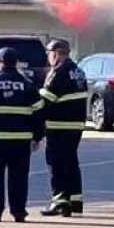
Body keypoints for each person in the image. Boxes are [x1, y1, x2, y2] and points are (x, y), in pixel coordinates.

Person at [0, 47, 45, 223]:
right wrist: (37, 137)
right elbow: (39, 115)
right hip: (20, 140)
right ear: (16, 63)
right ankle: (18, 212)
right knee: (18, 177)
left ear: (0, 62)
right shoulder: (28, 85)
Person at [38, 38, 89, 217]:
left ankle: (59, 201)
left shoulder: (57, 72)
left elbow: (46, 100)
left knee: (56, 163)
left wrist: (35, 120)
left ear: (57, 53)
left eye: (50, 54)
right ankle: (75, 201)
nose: (48, 58)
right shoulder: (78, 71)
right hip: (76, 125)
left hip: (58, 124)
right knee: (71, 162)